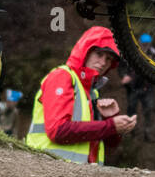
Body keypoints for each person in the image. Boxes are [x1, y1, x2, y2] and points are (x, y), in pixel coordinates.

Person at [26, 26, 135, 164]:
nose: (103, 63)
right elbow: (58, 131)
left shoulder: (92, 92)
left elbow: (111, 145)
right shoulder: (62, 76)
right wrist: (109, 126)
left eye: (108, 59)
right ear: (86, 51)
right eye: (99, 54)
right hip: (45, 169)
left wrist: (113, 119)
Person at [119, 33, 155, 142]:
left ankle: (148, 134)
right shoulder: (131, 52)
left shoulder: (153, 53)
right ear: (139, 43)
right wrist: (124, 75)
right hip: (132, 87)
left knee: (149, 109)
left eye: (147, 44)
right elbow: (122, 66)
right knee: (131, 109)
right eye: (143, 44)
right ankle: (131, 132)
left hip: (148, 87)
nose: (145, 46)